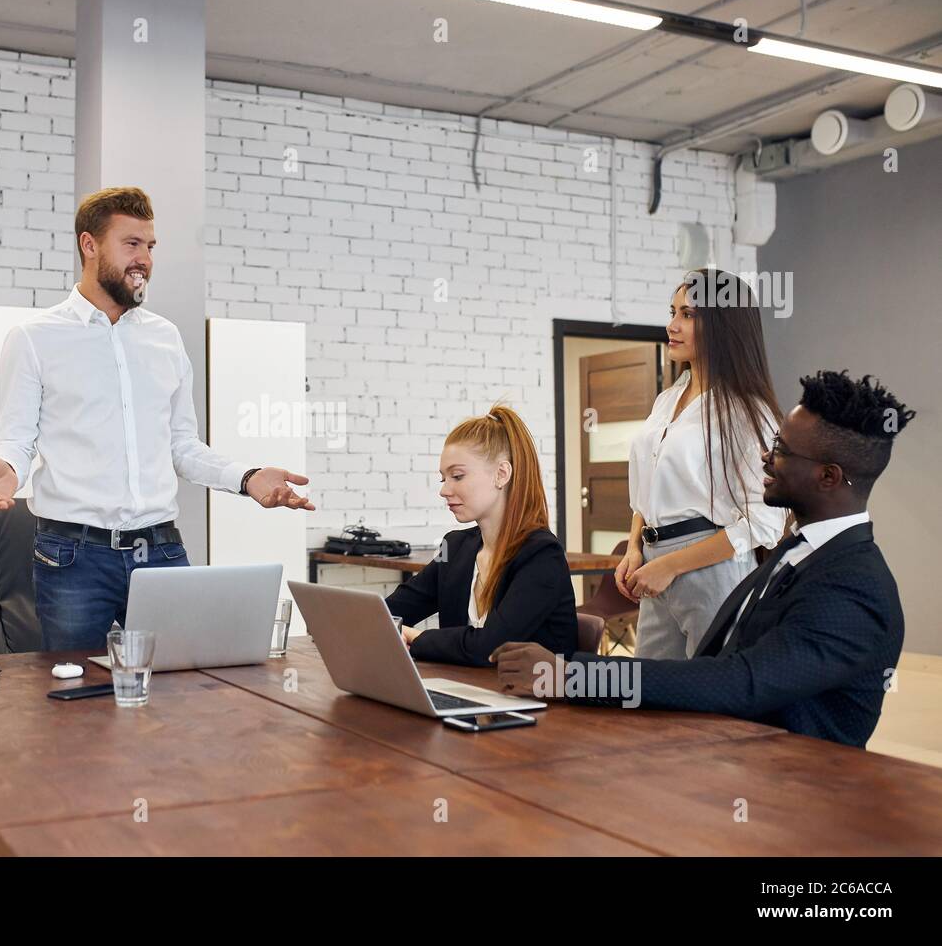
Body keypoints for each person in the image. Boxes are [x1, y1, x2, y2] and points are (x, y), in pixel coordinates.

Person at [0, 187, 315, 651]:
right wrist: (6, 469)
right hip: (72, 557)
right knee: (76, 699)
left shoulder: (165, 339)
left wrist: (247, 478)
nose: (144, 259)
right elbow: (18, 437)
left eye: (150, 247)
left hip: (161, 550)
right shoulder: (33, 339)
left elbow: (183, 448)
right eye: (131, 244)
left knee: (180, 692)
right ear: (89, 245)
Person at [493, 370, 912, 748]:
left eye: (781, 450)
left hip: (789, 790)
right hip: (726, 753)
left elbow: (742, 682)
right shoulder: (799, 551)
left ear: (829, 477)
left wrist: (572, 675)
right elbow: (717, 669)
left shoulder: (854, 586)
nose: (765, 458)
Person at [615, 268, 787, 659]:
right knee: (650, 699)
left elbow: (765, 523)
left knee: (707, 704)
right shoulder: (666, 401)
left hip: (710, 566)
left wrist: (672, 565)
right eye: (672, 312)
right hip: (653, 562)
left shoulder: (750, 413)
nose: (672, 325)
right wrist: (633, 549)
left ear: (724, 327)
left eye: (688, 315)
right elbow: (645, 495)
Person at [384, 405, 577, 667]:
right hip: (467, 697)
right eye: (443, 478)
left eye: (458, 476)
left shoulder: (542, 555)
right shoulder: (456, 546)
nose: (444, 490)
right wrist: (347, 619)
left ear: (502, 474)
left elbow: (490, 648)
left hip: (534, 704)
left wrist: (416, 639)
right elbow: (391, 611)